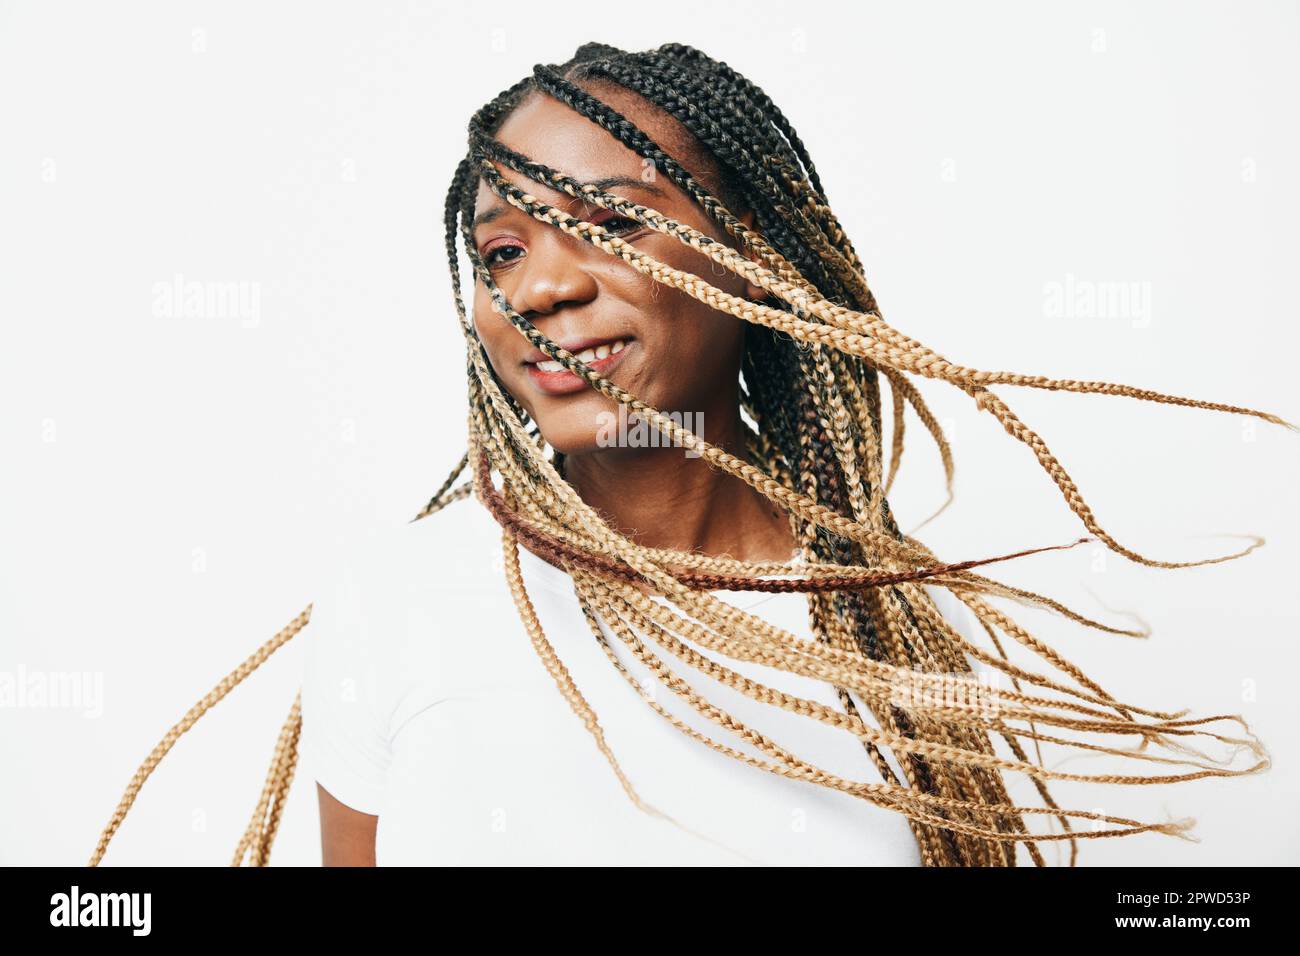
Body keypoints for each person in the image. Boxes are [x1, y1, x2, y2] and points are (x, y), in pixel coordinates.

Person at [91, 42, 1284, 869]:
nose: (543, 284)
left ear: (750, 255)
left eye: (611, 221)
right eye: (499, 251)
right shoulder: (396, 600)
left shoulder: (898, 630)